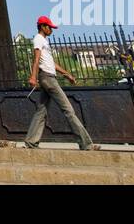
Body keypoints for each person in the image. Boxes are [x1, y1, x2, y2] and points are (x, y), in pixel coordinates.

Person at [24, 15, 97, 150]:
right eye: (49, 27)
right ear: (42, 27)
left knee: (41, 111)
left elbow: (51, 62)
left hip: (48, 77)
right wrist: (33, 77)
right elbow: (36, 59)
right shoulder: (38, 39)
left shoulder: (44, 41)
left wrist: (67, 74)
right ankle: (86, 143)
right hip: (48, 78)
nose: (51, 30)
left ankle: (31, 141)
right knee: (68, 110)